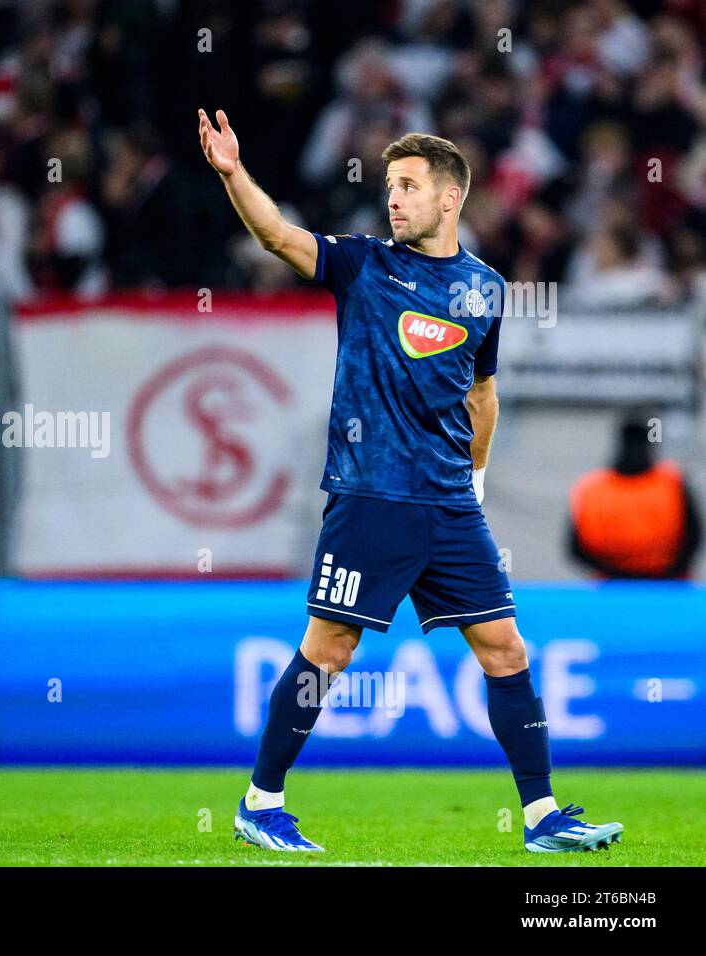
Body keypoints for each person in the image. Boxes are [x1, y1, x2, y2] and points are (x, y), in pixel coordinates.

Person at [198, 109, 623, 853]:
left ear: (450, 197)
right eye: (389, 186)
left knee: (507, 650)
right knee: (328, 652)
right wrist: (235, 174)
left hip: (450, 504)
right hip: (372, 494)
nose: (391, 199)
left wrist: (479, 479)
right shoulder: (364, 264)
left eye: (407, 186)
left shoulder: (484, 290)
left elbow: (481, 395)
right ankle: (259, 802)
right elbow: (278, 237)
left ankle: (542, 817)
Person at [569, 418, 701, 579]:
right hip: (666, 585)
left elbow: (576, 549)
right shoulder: (672, 483)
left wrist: (617, 574)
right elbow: (694, 535)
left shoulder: (593, 488)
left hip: (616, 586)